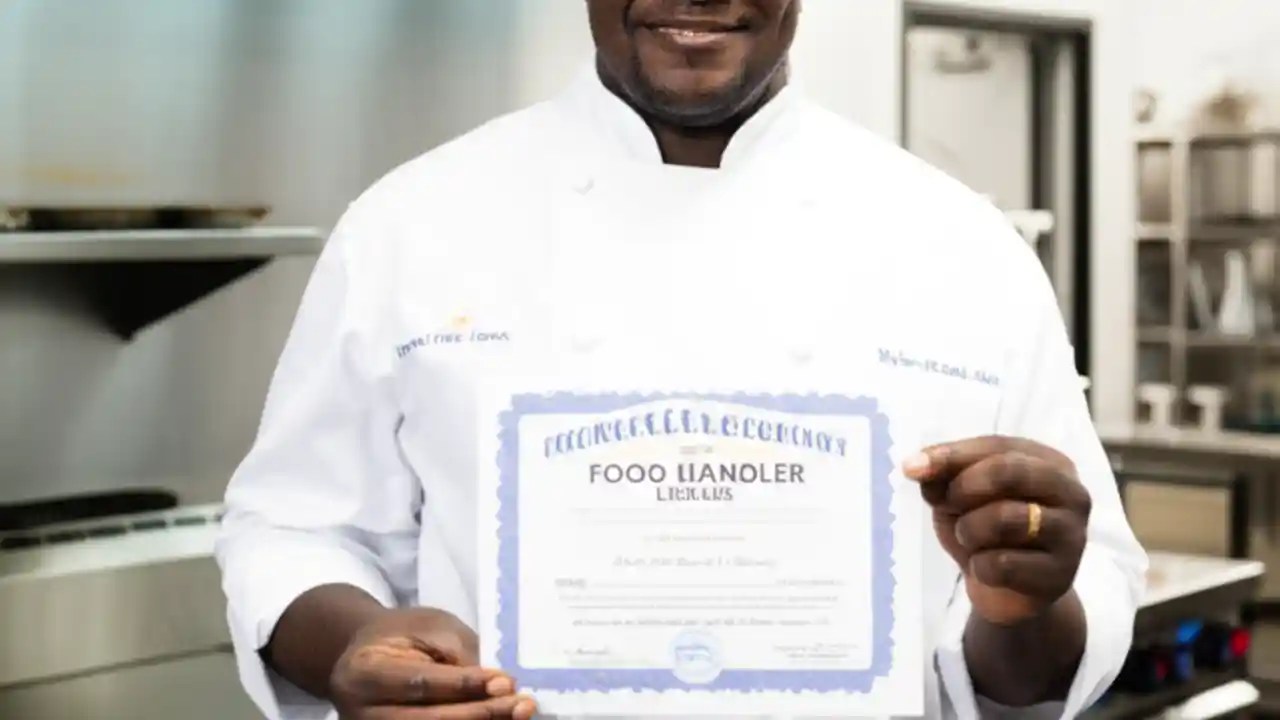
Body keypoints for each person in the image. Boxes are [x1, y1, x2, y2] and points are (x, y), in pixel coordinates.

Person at [217, 1, 1147, 718]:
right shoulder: (412, 224)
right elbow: (294, 527)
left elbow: (1059, 622)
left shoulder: (962, 245)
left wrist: (1027, 603)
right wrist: (352, 646)